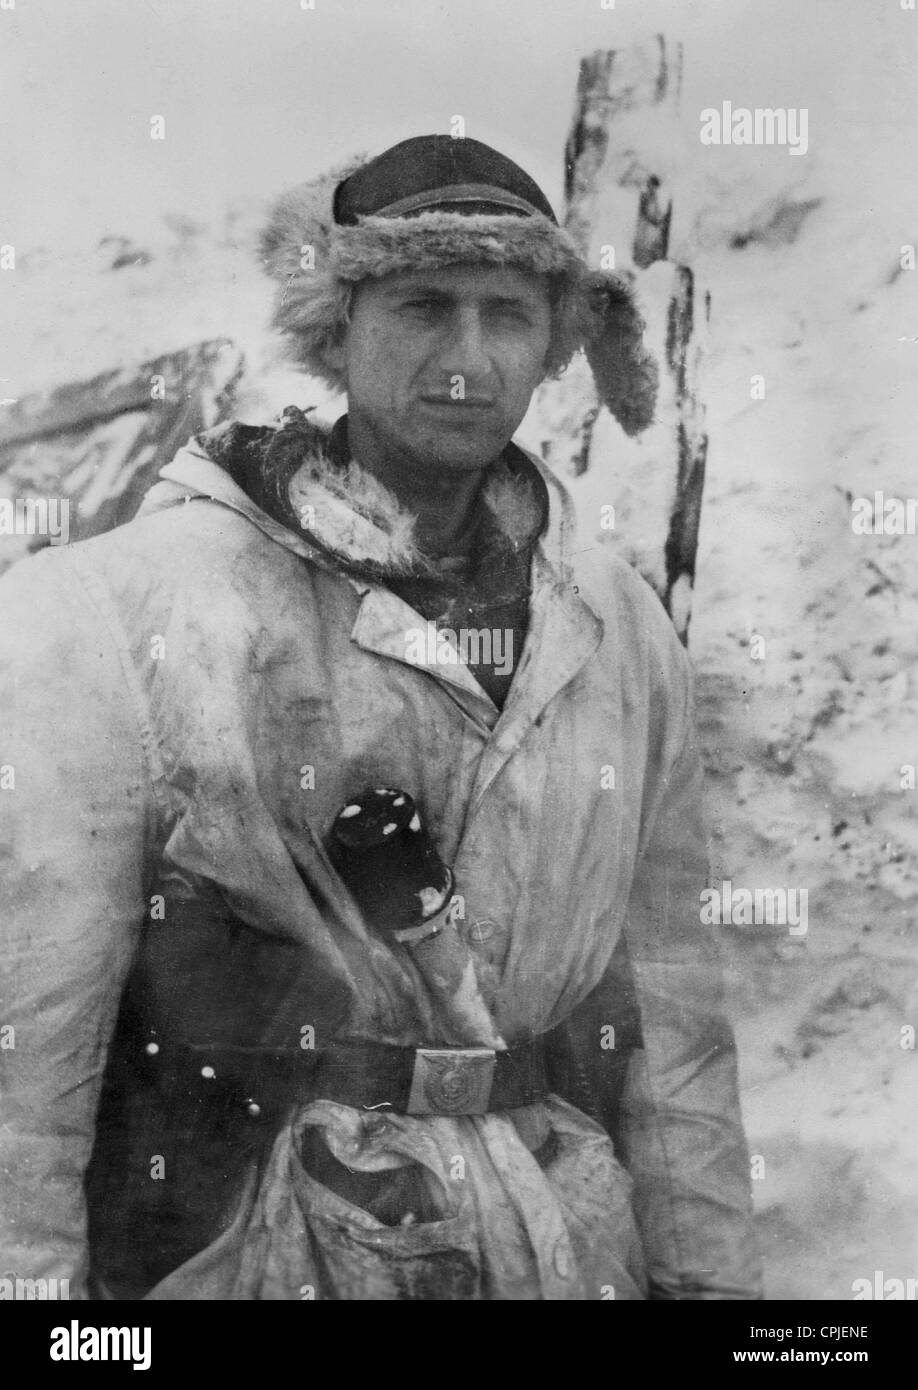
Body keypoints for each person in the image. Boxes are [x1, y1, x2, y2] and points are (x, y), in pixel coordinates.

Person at [0, 135, 761, 1300]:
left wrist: (721, 1302)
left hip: (559, 1237)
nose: (467, 358)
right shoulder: (117, 612)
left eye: (506, 313)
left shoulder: (615, 624)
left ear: (554, 344)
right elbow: (28, 1063)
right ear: (335, 325)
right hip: (265, 1249)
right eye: (421, 304)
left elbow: (672, 1025)